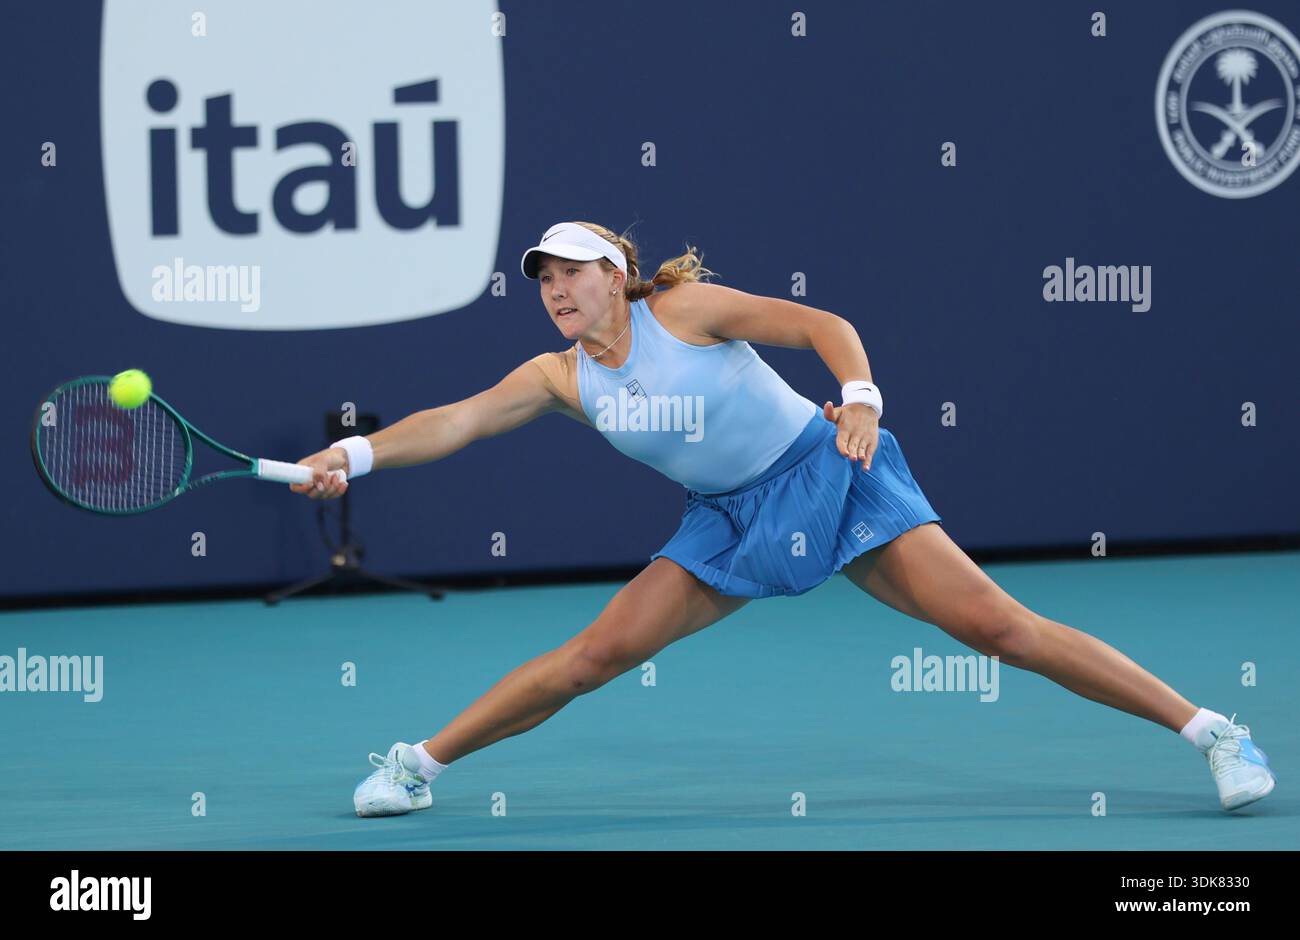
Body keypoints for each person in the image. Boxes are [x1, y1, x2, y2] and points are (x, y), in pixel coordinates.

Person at [294, 221, 1276, 818]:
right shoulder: (559, 376)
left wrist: (858, 395)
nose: (555, 290)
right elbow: (456, 421)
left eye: (571, 273)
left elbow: (816, 324)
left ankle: (1213, 731)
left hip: (832, 467)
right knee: (597, 653)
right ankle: (418, 764)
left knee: (996, 627)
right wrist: (358, 453)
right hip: (726, 520)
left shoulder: (683, 308)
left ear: (613, 271)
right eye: (543, 279)